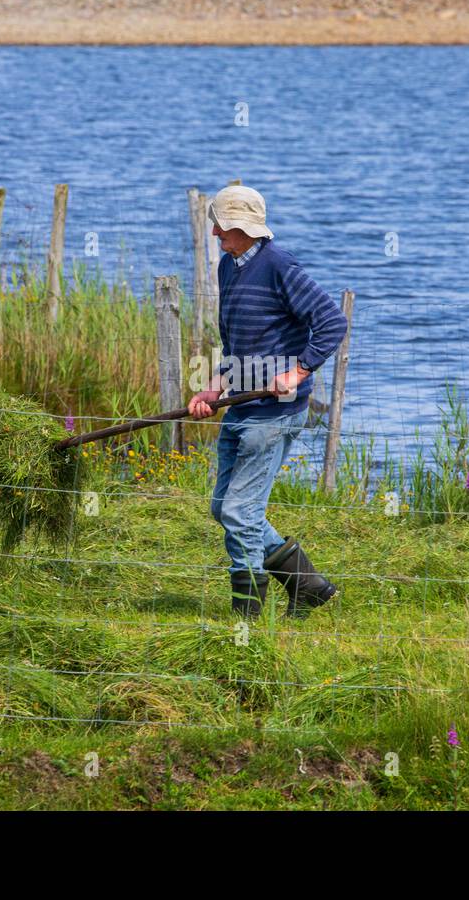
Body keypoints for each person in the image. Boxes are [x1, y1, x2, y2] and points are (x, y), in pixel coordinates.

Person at [187, 184, 348, 617]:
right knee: (225, 508)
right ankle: (308, 586)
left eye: (222, 226)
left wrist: (298, 371)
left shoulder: (280, 266)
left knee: (240, 511)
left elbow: (332, 322)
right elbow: (235, 343)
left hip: (275, 413)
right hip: (241, 404)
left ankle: (248, 622)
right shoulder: (229, 267)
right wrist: (215, 385)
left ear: (244, 227)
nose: (216, 233)